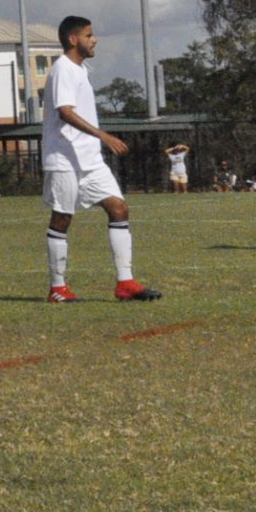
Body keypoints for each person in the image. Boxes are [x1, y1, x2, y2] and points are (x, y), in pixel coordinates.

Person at [42, 17, 160, 302]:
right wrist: (103, 136)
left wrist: (96, 142)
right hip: (64, 158)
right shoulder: (63, 69)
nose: (94, 40)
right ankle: (57, 288)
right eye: (89, 35)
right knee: (62, 218)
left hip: (89, 159)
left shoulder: (81, 70)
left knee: (119, 209)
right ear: (73, 40)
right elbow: (65, 112)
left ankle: (126, 283)